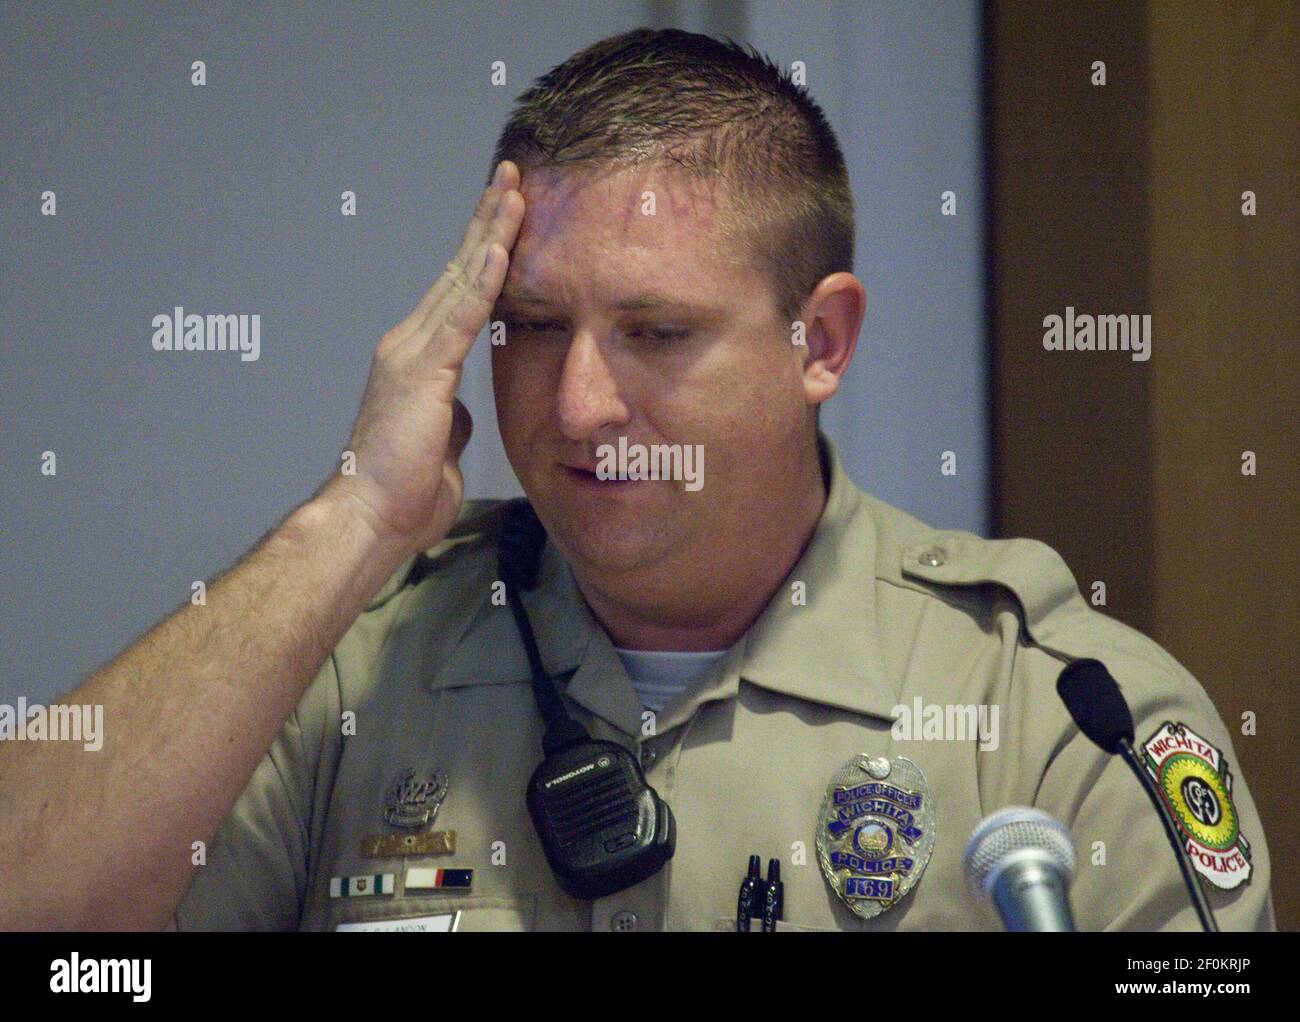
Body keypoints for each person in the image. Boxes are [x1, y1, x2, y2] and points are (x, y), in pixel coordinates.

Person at [0, 28, 1273, 932]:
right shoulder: (353, 670)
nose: (575, 405)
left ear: (817, 341)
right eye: (533, 326)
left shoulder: (1051, 712)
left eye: (656, 334)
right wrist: (347, 524)